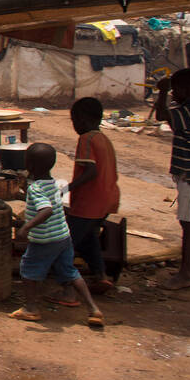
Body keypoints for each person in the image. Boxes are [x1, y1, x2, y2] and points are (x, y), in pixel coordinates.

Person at [10, 143, 104, 326]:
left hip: (45, 240)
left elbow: (46, 210)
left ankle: (31, 308)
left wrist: (25, 228)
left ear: (30, 165)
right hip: (63, 236)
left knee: (28, 269)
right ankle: (93, 309)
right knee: (70, 271)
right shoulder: (52, 183)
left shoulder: (36, 188)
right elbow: (44, 202)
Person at [154, 67, 190, 289]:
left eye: (175, 90)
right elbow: (171, 121)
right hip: (189, 172)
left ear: (186, 90)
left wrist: (161, 93)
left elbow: (161, 115)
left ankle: (186, 272)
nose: (172, 94)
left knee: (189, 223)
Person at [65, 97, 121, 295]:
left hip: (89, 203)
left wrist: (67, 188)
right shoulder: (104, 139)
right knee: (89, 239)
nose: (74, 125)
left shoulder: (86, 139)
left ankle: (67, 290)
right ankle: (101, 277)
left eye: (74, 120)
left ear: (81, 119)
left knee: (66, 243)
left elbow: (91, 171)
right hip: (108, 200)